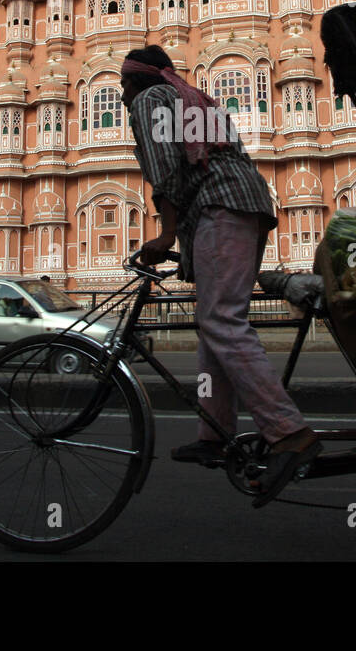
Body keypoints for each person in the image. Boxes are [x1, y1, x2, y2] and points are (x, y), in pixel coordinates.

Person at [120, 45, 320, 508]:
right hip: (244, 205)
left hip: (220, 207)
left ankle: (288, 431)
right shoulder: (196, 100)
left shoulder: (152, 101)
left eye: (123, 85)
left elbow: (165, 167)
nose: (123, 96)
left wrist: (166, 234)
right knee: (213, 326)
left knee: (222, 322)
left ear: (138, 81)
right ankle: (215, 433)